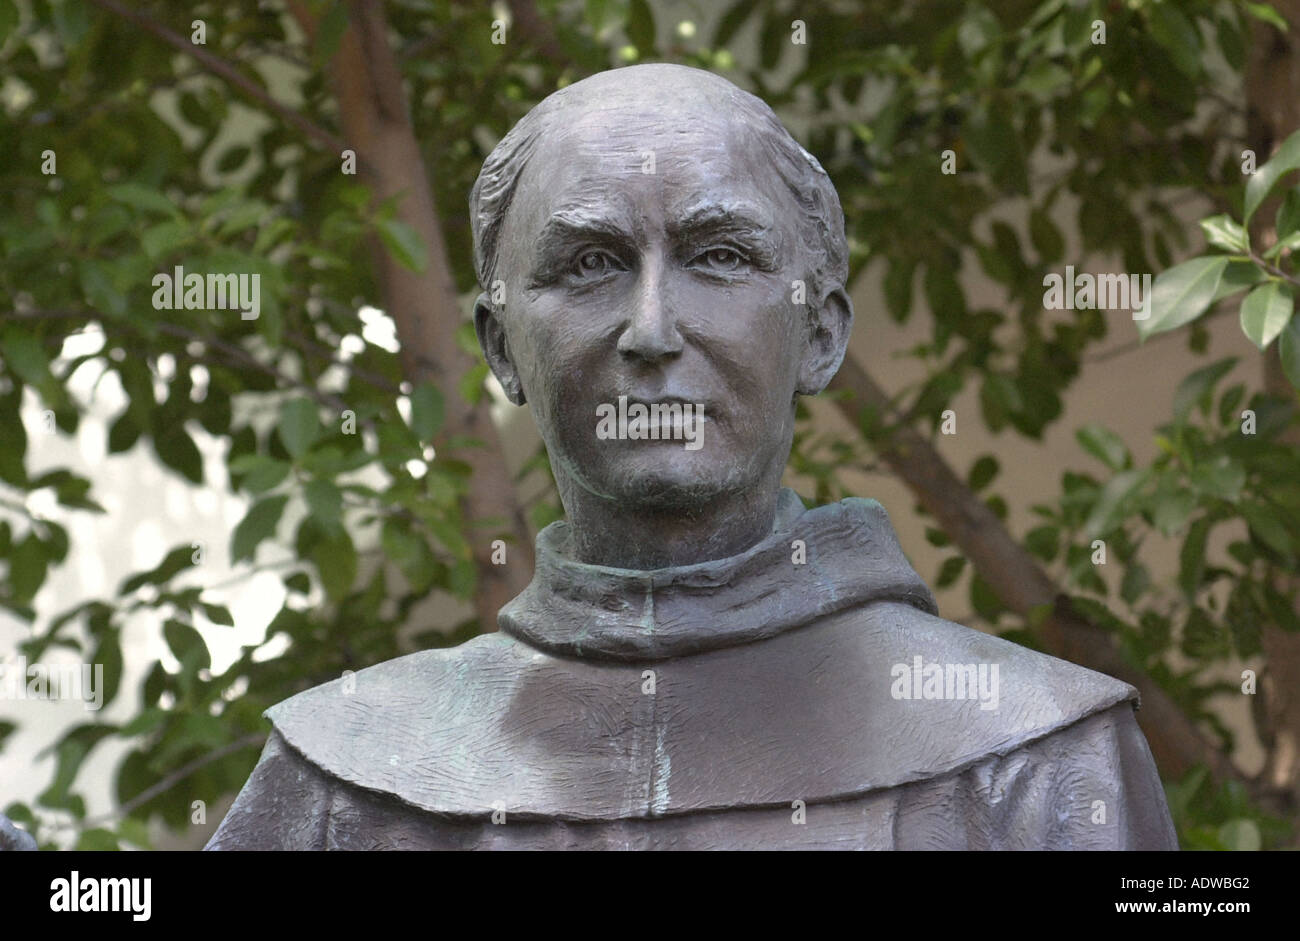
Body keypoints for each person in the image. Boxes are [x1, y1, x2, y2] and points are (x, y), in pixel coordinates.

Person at [207, 64, 1178, 850]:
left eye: (719, 256)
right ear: (503, 349)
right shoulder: (344, 772)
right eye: (590, 263)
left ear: (821, 336)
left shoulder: (1037, 759)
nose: (651, 328)